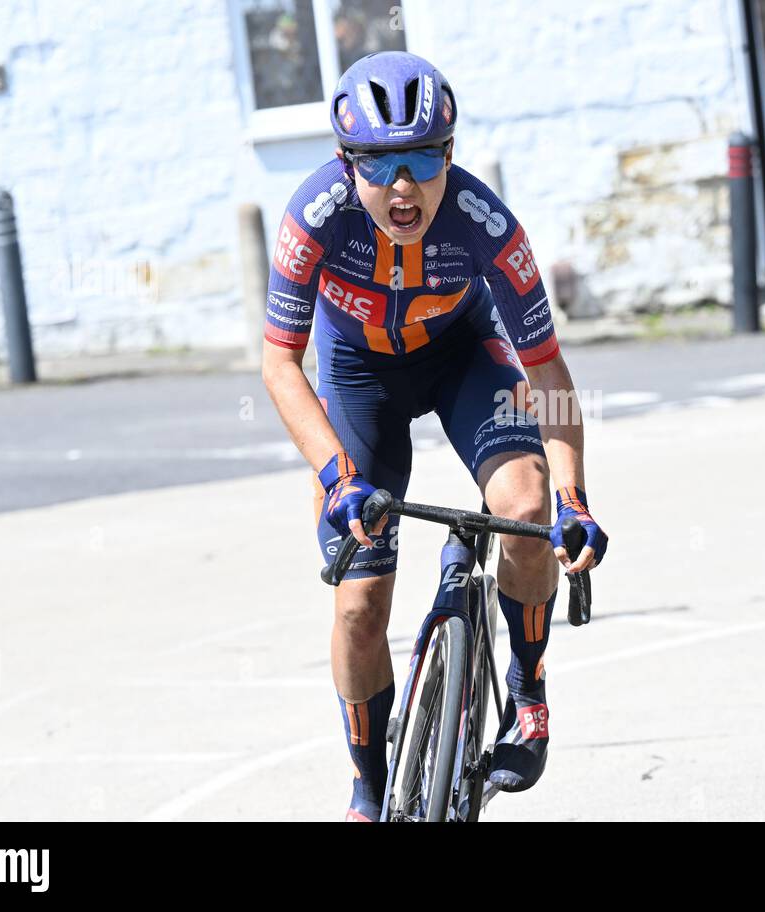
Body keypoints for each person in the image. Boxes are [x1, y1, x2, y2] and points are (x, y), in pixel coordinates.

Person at [261, 51, 608, 822]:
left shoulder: (487, 226)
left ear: (450, 153)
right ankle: (368, 787)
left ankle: (527, 693)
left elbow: (548, 374)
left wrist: (575, 498)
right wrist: (336, 479)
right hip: (357, 374)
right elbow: (281, 367)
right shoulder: (313, 217)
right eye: (381, 165)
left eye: (424, 157)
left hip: (461, 358)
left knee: (524, 509)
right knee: (359, 604)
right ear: (346, 162)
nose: (404, 186)